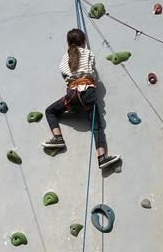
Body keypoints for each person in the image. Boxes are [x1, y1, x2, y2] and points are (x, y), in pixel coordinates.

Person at [43, 28, 120, 170]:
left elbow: (64, 75)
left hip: (72, 94)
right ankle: (101, 157)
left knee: (50, 111)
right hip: (88, 94)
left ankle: (58, 138)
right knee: (97, 127)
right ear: (84, 41)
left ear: (68, 43)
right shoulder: (88, 53)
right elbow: (92, 69)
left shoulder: (65, 57)